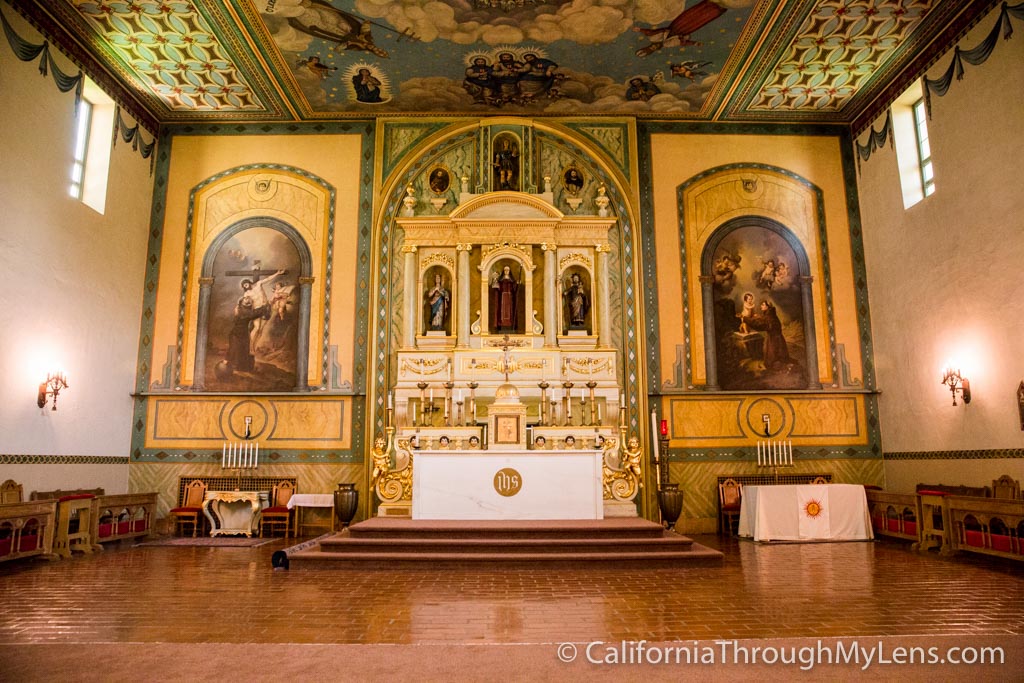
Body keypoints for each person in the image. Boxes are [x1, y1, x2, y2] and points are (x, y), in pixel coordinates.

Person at [747, 300, 792, 370]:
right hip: (775, 337)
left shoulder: (770, 316)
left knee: (773, 357)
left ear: (767, 307)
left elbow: (760, 325)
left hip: (774, 338)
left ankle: (778, 366)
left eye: (763, 305)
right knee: (775, 356)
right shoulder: (770, 314)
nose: (761, 306)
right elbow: (764, 319)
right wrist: (758, 317)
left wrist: (746, 319)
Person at [490, 264, 519, 332]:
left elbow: (514, 289)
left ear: (509, 271)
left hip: (510, 298)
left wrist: (517, 284)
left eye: (507, 270)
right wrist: (495, 281)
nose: (506, 271)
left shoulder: (512, 280)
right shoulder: (501, 280)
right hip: (502, 298)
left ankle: (511, 325)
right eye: (505, 270)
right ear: (503, 271)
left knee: (510, 311)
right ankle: (501, 325)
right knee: (502, 312)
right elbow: (498, 288)